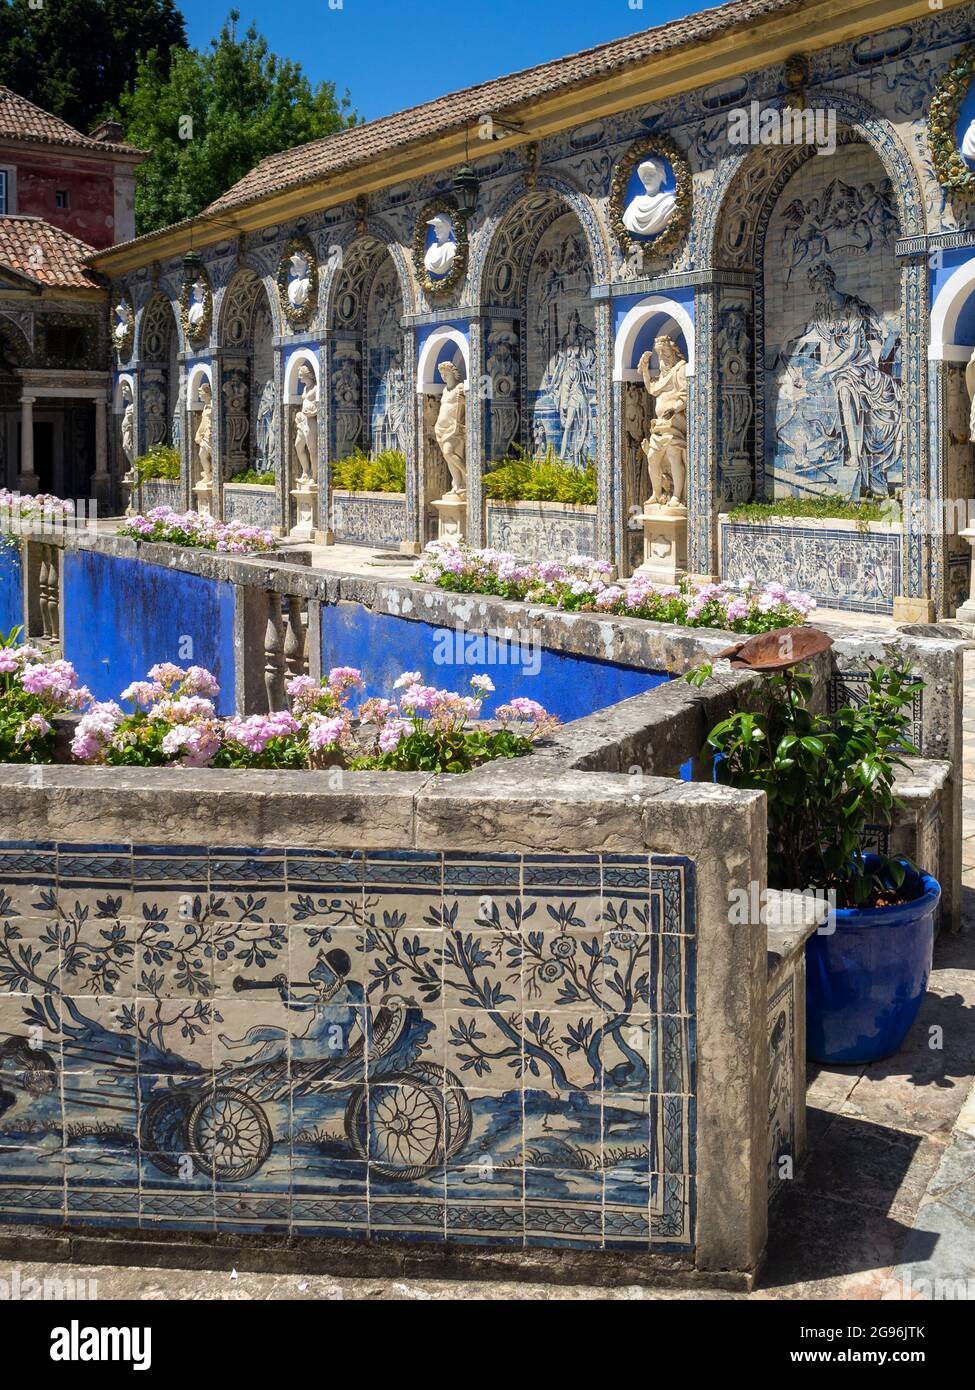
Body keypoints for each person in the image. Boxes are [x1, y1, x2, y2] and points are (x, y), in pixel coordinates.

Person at [622, 157, 676, 238]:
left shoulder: (669, 203)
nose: (646, 178)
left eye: (651, 174)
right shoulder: (634, 205)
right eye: (644, 175)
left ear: (661, 176)